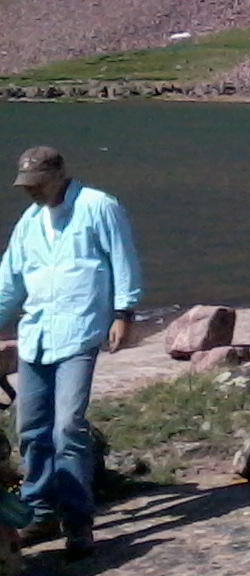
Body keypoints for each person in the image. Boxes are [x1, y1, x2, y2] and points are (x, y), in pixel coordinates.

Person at [0, 147, 141, 561]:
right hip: (36, 336)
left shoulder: (99, 207)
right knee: (30, 427)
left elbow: (122, 259)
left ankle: (78, 524)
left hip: (80, 331)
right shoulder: (28, 224)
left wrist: (123, 312)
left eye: (38, 185)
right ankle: (40, 510)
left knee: (67, 428)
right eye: (27, 187)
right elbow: (10, 281)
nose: (33, 194)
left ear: (60, 174)